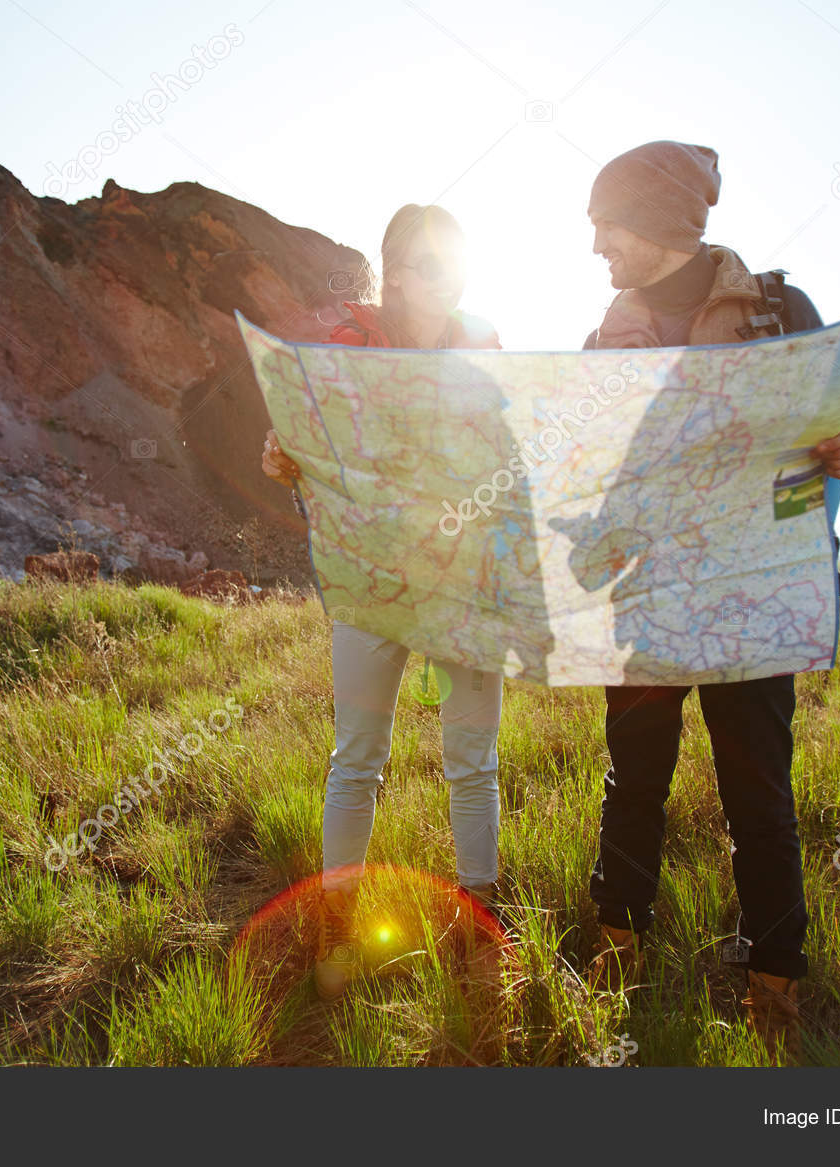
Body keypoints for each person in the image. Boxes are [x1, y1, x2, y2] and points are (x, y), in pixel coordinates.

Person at [577, 141, 840, 1062]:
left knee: (758, 792)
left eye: (606, 225)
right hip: (648, 599)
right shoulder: (603, 338)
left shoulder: (782, 312)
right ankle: (617, 950)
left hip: (753, 597)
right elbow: (588, 469)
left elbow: (836, 425)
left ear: (658, 224)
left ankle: (775, 985)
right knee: (634, 777)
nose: (597, 248)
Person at [260, 204, 506, 1001]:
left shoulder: (484, 344)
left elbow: (508, 449)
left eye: (458, 263)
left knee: (473, 760)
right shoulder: (346, 344)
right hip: (370, 583)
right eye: (433, 265)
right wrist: (282, 452)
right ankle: (337, 919)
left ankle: (481, 924)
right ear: (395, 273)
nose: (451, 280)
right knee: (357, 756)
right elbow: (303, 441)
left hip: (463, 582)